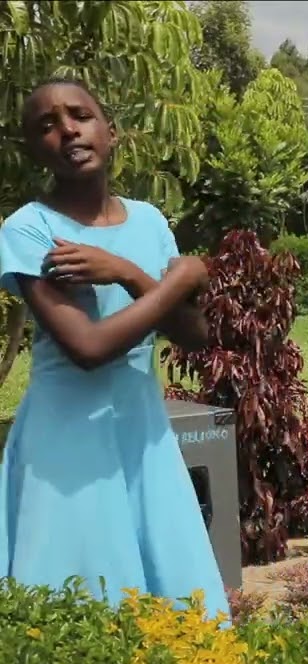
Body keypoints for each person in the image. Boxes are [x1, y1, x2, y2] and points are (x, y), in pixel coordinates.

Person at [0, 78, 230, 620]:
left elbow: (194, 334)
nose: (67, 131)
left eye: (79, 115)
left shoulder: (150, 221)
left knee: (176, 607)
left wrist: (127, 273)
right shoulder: (29, 230)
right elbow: (88, 346)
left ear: (111, 131)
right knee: (78, 604)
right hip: (67, 446)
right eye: (46, 126)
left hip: (143, 435)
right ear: (35, 149)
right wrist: (178, 280)